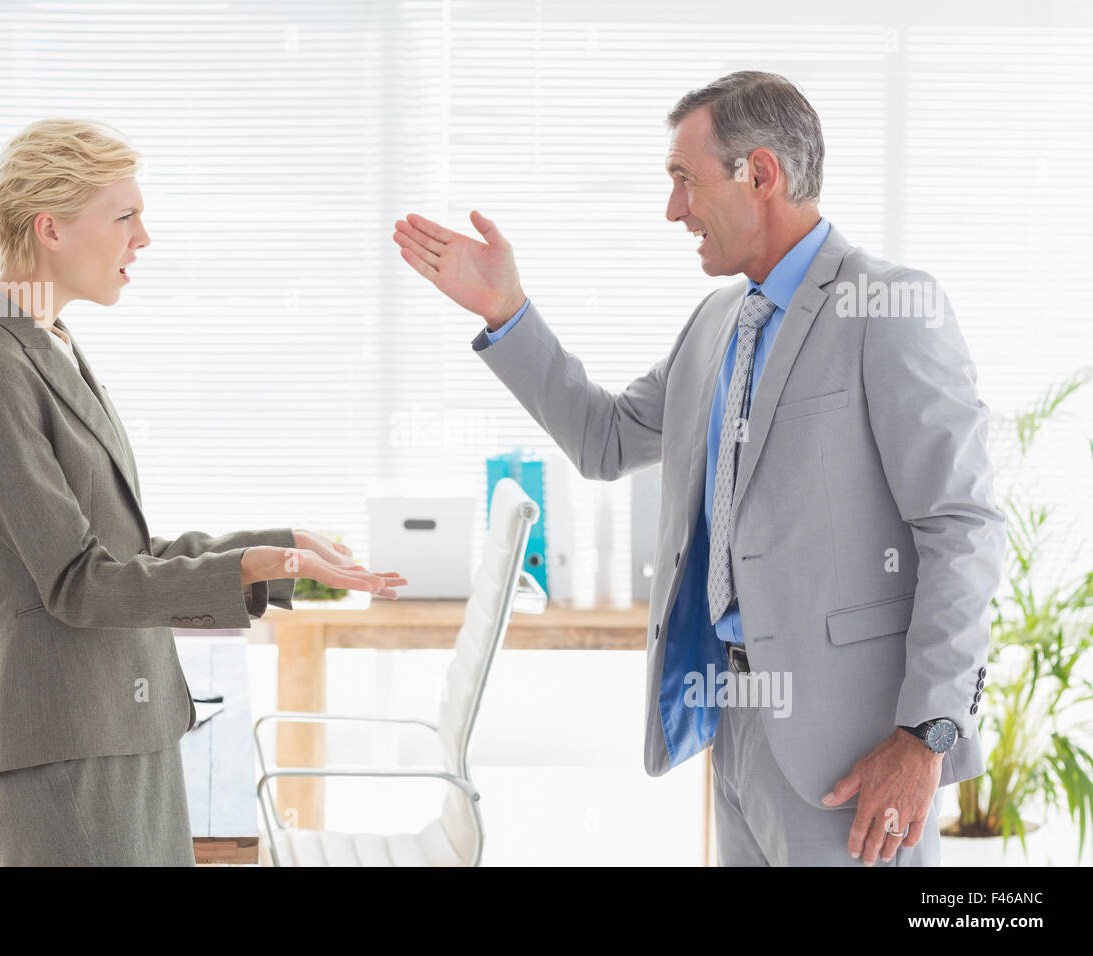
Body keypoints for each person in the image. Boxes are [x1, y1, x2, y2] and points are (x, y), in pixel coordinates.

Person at [393, 71, 1004, 866]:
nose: (674, 209)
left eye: (685, 179)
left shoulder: (886, 309)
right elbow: (605, 439)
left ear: (761, 174)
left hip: (857, 755)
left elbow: (962, 528)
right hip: (738, 722)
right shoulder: (720, 321)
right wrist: (507, 313)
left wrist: (928, 736)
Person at [0, 118, 405, 866]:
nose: (143, 238)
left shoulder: (49, 345)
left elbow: (124, 552)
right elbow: (77, 583)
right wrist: (249, 568)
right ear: (50, 228)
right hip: (70, 756)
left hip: (126, 733)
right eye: (125, 216)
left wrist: (275, 551)